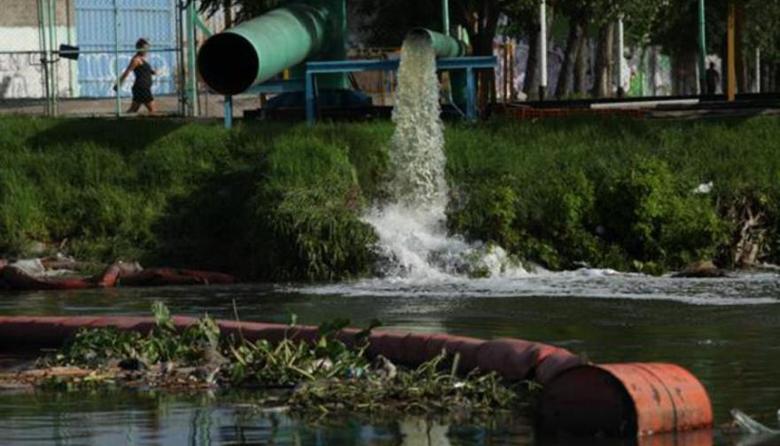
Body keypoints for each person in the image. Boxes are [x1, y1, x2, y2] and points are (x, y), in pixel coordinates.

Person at [115, 38, 156, 113]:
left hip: (142, 87)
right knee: (152, 110)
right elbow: (127, 72)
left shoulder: (143, 59)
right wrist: (119, 83)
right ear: (139, 48)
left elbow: (145, 71)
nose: (146, 50)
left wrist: (153, 72)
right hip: (142, 88)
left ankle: (121, 121)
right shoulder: (136, 60)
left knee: (133, 110)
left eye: (147, 48)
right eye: (144, 48)